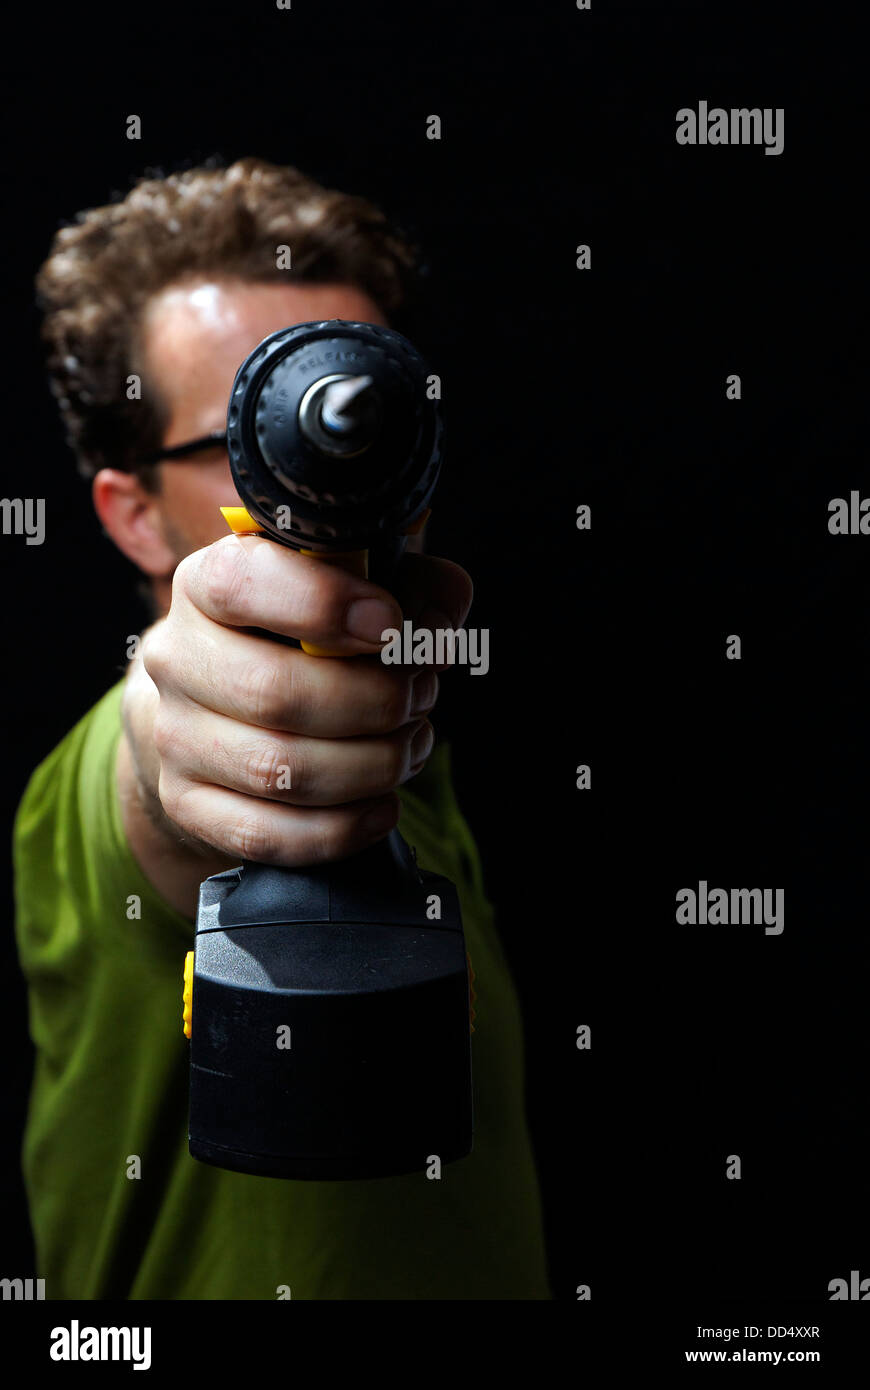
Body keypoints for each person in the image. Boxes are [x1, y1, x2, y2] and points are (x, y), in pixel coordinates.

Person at [13, 156, 552, 1299]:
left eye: (369, 404)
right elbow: (162, 757)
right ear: (132, 514)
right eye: (245, 432)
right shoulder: (87, 796)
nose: (334, 443)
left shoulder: (411, 773)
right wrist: (174, 755)